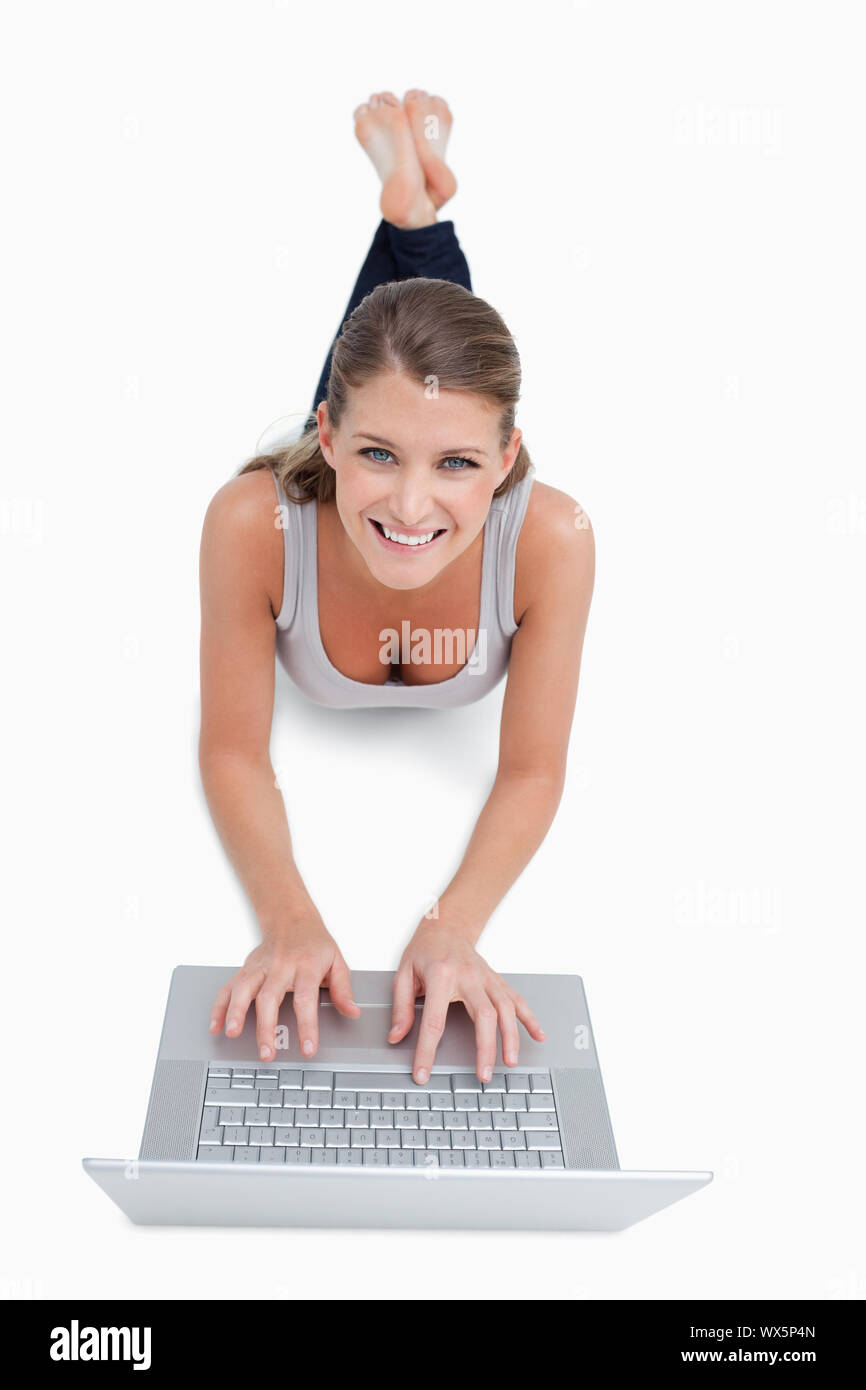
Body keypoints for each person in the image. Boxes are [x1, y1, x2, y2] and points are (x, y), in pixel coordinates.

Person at [198, 89, 595, 1085]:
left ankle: (410, 214)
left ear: (508, 459)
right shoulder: (256, 522)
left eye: (461, 465)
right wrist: (288, 920)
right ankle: (412, 219)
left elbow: (533, 769)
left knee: (419, 370)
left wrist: (450, 926)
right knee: (390, 360)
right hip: (324, 466)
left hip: (427, 440)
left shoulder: (551, 536)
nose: (411, 507)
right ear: (325, 441)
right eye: (371, 452)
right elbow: (233, 748)